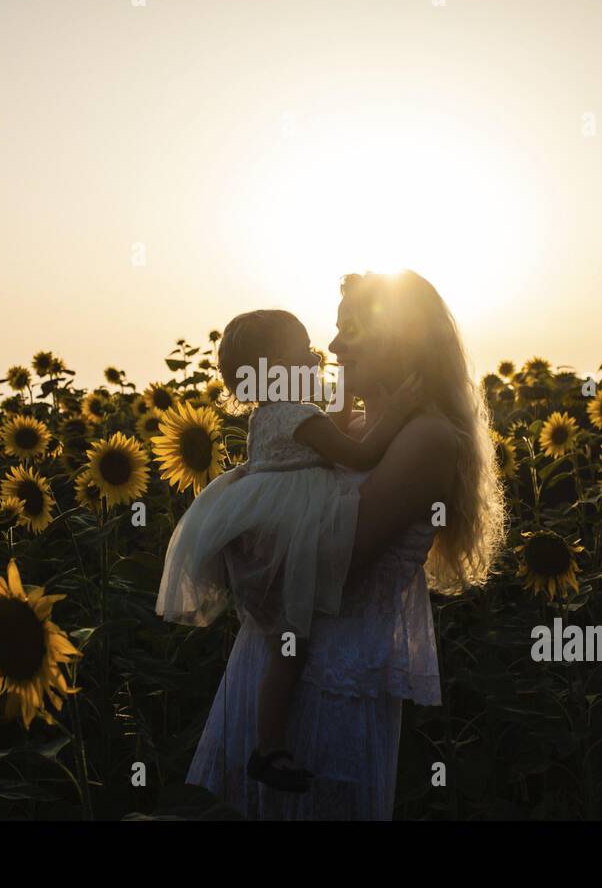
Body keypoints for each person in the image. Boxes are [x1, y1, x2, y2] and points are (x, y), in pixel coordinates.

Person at [185, 270, 506, 818]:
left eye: (350, 329)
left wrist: (254, 553)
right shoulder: (350, 423)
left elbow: (339, 559)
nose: (331, 347)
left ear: (401, 337)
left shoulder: (424, 436)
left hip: (328, 683)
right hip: (281, 668)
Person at [156, 308, 423, 791]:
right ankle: (269, 747)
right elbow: (358, 453)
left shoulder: (271, 414)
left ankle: (268, 744)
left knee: (284, 637)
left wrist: (343, 384)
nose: (317, 351)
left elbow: (334, 426)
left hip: (271, 530)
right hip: (296, 534)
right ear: (280, 363)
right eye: (305, 348)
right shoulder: (299, 416)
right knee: (292, 640)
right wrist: (399, 414)